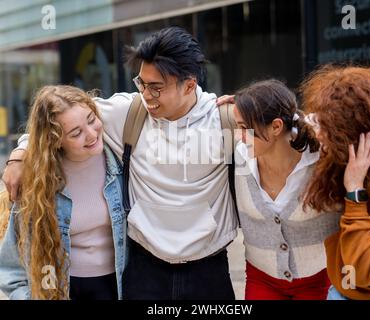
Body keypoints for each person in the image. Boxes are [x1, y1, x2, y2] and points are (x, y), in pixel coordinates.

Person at [2, 27, 238, 300]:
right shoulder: (130, 111)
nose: (146, 94)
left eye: (156, 88)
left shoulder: (225, 121)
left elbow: (286, 127)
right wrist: (19, 157)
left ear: (189, 85)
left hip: (208, 269)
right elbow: (58, 117)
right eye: (141, 83)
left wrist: (254, 106)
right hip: (144, 269)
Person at [0, 85, 126, 300]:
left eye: (91, 119)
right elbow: (10, 268)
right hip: (61, 289)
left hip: (119, 286)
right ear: (56, 140)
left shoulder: (119, 157)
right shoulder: (39, 181)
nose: (91, 134)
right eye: (76, 133)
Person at [217, 80, 340, 299]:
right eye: (238, 127)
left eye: (245, 128)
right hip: (262, 277)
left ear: (276, 127)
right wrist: (218, 106)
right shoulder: (241, 156)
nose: (239, 136)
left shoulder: (322, 158)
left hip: (321, 278)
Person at [300, 65, 370, 300]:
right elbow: (278, 132)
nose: (319, 134)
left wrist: (355, 191)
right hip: (341, 289)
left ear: (352, 133)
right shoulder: (346, 157)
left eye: (328, 127)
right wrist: (233, 111)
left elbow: (365, 269)